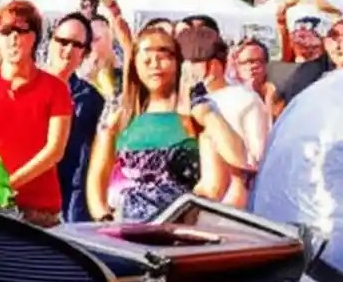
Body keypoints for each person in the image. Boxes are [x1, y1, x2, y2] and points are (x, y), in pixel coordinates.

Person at [85, 27, 246, 223]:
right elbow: (97, 179)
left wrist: (207, 114)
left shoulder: (196, 114)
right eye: (146, 59)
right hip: (126, 233)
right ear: (135, 65)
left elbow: (233, 161)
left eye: (164, 55)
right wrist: (104, 217)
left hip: (183, 231)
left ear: (178, 61)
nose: (155, 65)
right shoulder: (118, 115)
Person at [0, 0, 72, 228]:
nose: (13, 38)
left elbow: (55, 151)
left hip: (38, 211)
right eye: (5, 31)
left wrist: (8, 184)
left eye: (21, 30)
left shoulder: (55, 88)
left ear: (34, 37)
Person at [176, 26, 271, 208]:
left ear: (214, 65)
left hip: (226, 208)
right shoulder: (172, 102)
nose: (184, 70)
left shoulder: (245, 99)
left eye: (191, 62)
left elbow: (257, 160)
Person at [45, 12, 105, 223]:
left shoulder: (91, 100)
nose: (68, 50)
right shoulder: (25, 87)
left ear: (85, 53)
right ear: (51, 41)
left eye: (76, 45)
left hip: (70, 200)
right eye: (62, 41)